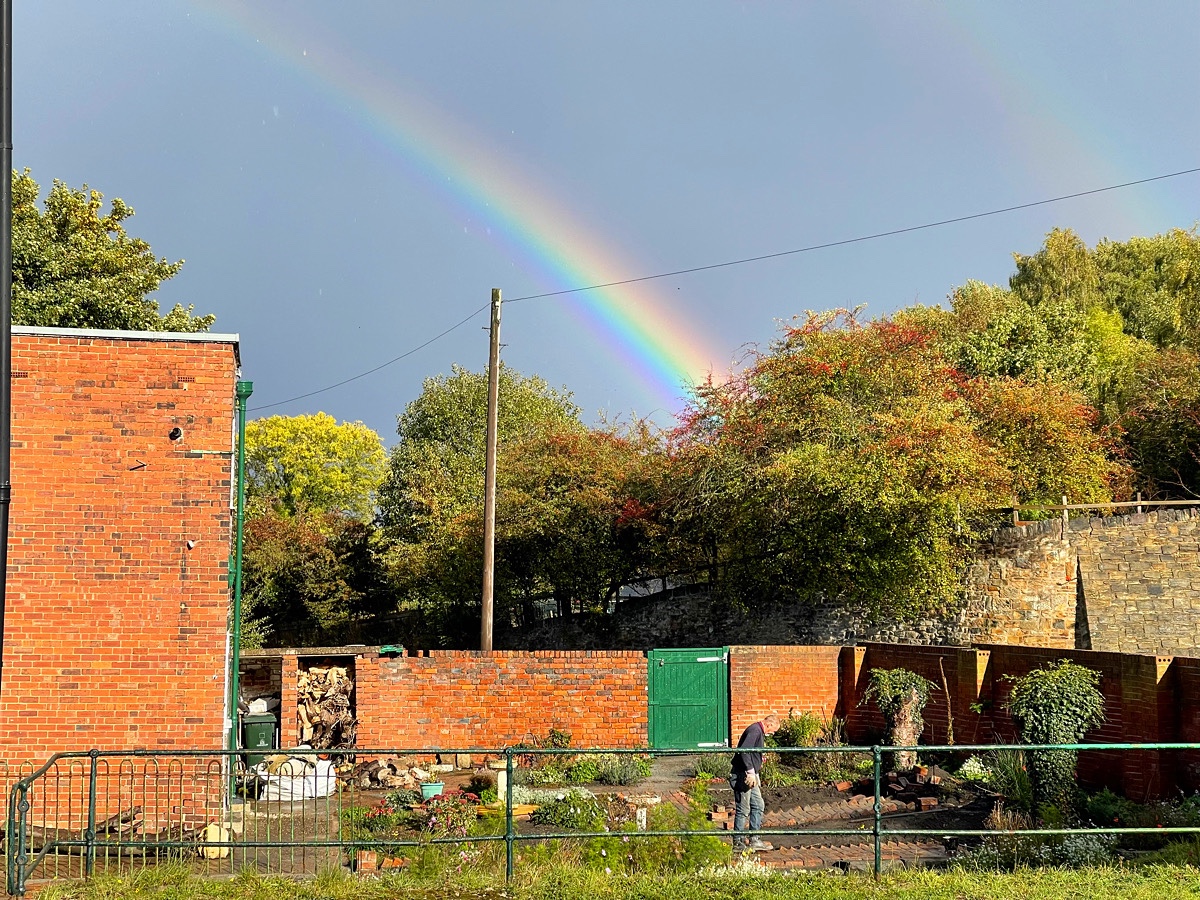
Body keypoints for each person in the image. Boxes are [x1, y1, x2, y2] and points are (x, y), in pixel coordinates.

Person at [731, 713, 780, 852]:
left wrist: (759, 760)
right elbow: (744, 751)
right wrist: (751, 771)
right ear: (769, 724)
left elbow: (751, 752)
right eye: (773, 730)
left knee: (758, 804)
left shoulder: (757, 731)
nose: (772, 733)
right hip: (743, 775)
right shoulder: (755, 730)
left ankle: (754, 839)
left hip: (751, 775)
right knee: (743, 809)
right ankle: (738, 843)